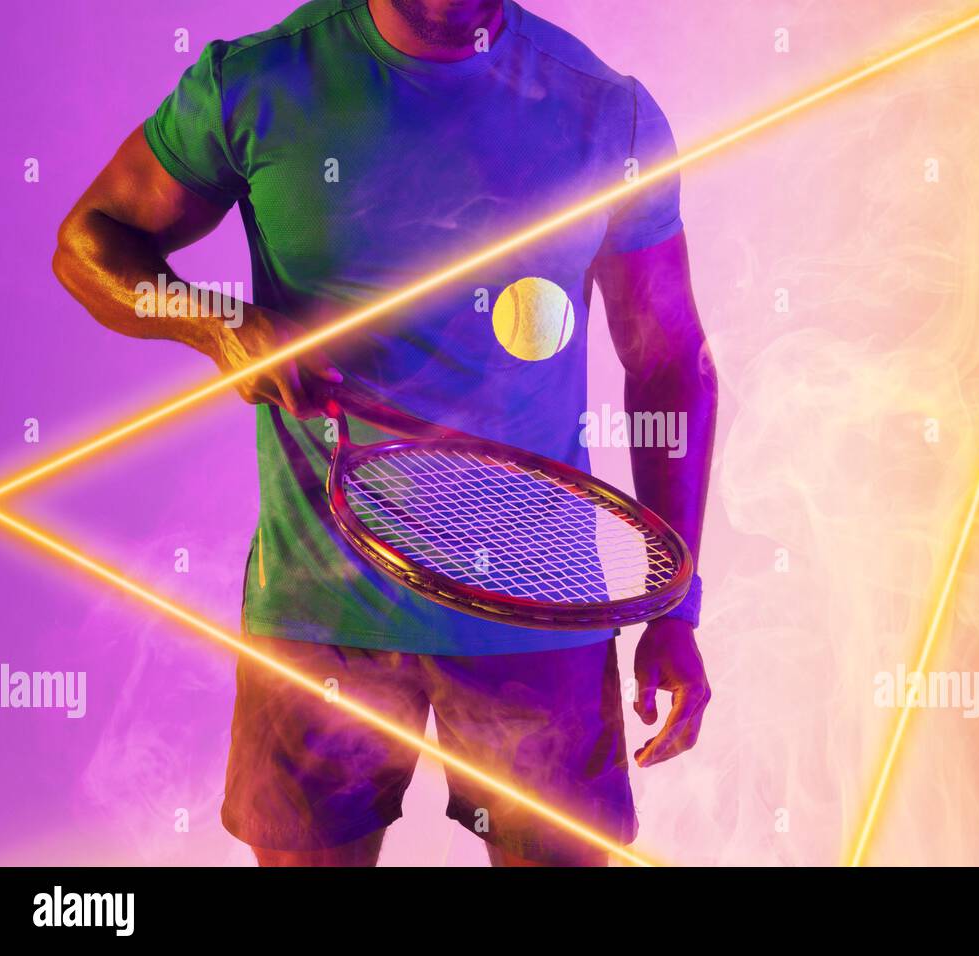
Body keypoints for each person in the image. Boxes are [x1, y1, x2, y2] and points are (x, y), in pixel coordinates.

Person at [53, 0, 716, 866]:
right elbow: (88, 244)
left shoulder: (606, 112)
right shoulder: (256, 80)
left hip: (540, 625)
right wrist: (217, 323)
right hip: (317, 611)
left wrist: (676, 608)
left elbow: (670, 365)